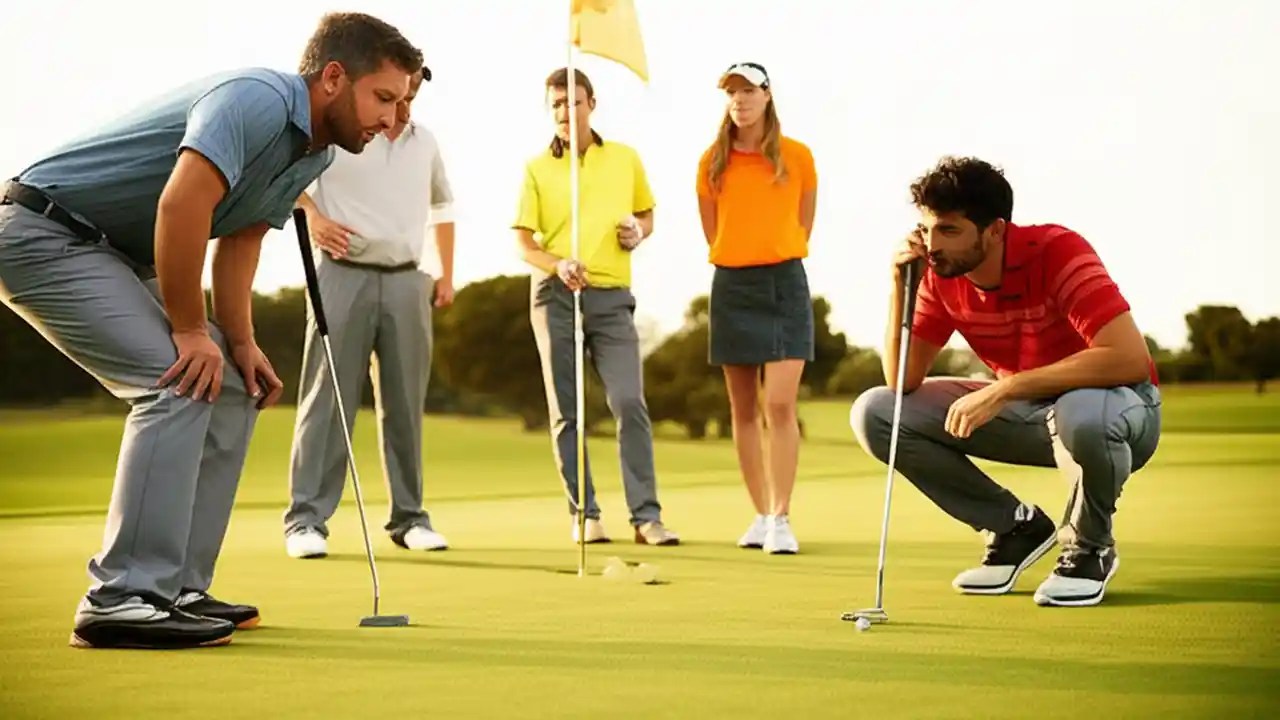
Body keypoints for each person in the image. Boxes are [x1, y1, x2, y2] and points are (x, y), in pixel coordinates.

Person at [0, 12, 421, 649]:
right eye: (383, 98)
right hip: (43, 231)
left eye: (400, 104)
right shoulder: (255, 99)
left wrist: (241, 343)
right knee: (175, 378)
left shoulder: (316, 152)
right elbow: (183, 205)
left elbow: (241, 240)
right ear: (334, 78)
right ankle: (122, 597)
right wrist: (191, 329)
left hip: (113, 252)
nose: (391, 121)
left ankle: (177, 588)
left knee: (229, 384)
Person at [849, 156, 1161, 607]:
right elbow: (902, 379)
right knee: (877, 411)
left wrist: (1008, 387)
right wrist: (901, 284)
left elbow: (1130, 360)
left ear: (995, 230)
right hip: (1035, 416)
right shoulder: (938, 274)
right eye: (926, 229)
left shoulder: (1057, 251)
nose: (932, 246)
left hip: (1119, 410)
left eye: (949, 230)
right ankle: (1014, 528)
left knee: (1081, 410)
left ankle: (1089, 548)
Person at [283, 64, 456, 559]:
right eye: (394, 96)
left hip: (406, 278)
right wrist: (314, 217)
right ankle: (305, 520)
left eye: (410, 96)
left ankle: (410, 519)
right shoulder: (343, 135)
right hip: (342, 274)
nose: (401, 107)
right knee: (328, 398)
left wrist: (446, 273)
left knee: (405, 404)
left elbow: (443, 207)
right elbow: (286, 176)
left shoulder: (426, 143)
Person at [512, 67, 679, 546]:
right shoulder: (537, 168)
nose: (566, 112)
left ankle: (646, 518)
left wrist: (638, 231)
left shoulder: (625, 158)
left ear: (592, 104)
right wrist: (558, 264)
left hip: (611, 296)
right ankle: (585, 513)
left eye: (574, 102)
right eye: (557, 105)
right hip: (555, 295)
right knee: (567, 411)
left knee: (629, 401)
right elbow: (524, 243)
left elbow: (646, 215)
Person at [695, 62, 818, 554]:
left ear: (767, 95)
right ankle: (762, 513)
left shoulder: (798, 156)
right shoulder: (712, 162)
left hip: (784, 282)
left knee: (779, 404)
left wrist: (772, 252)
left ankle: (781, 517)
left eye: (748, 90)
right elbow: (713, 230)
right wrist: (742, 255)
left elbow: (803, 222)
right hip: (732, 284)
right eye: (732, 92)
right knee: (743, 408)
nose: (739, 100)